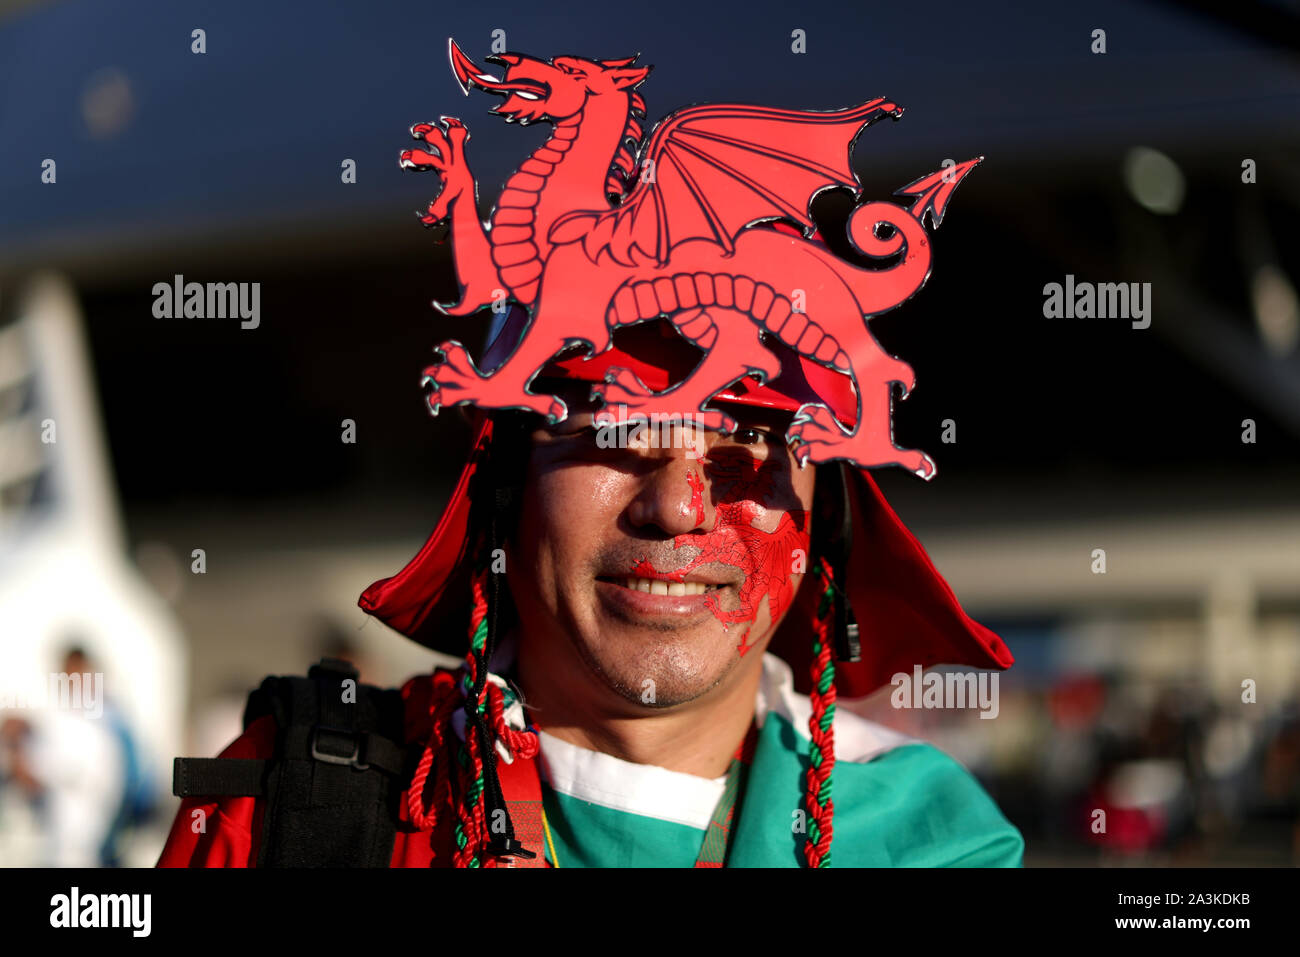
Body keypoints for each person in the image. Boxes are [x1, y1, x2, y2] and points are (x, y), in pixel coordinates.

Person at [158, 42, 1023, 868]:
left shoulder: (926, 840)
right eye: (610, 432)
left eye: (753, 442)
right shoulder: (293, 801)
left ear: (824, 508)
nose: (677, 507)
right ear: (506, 486)